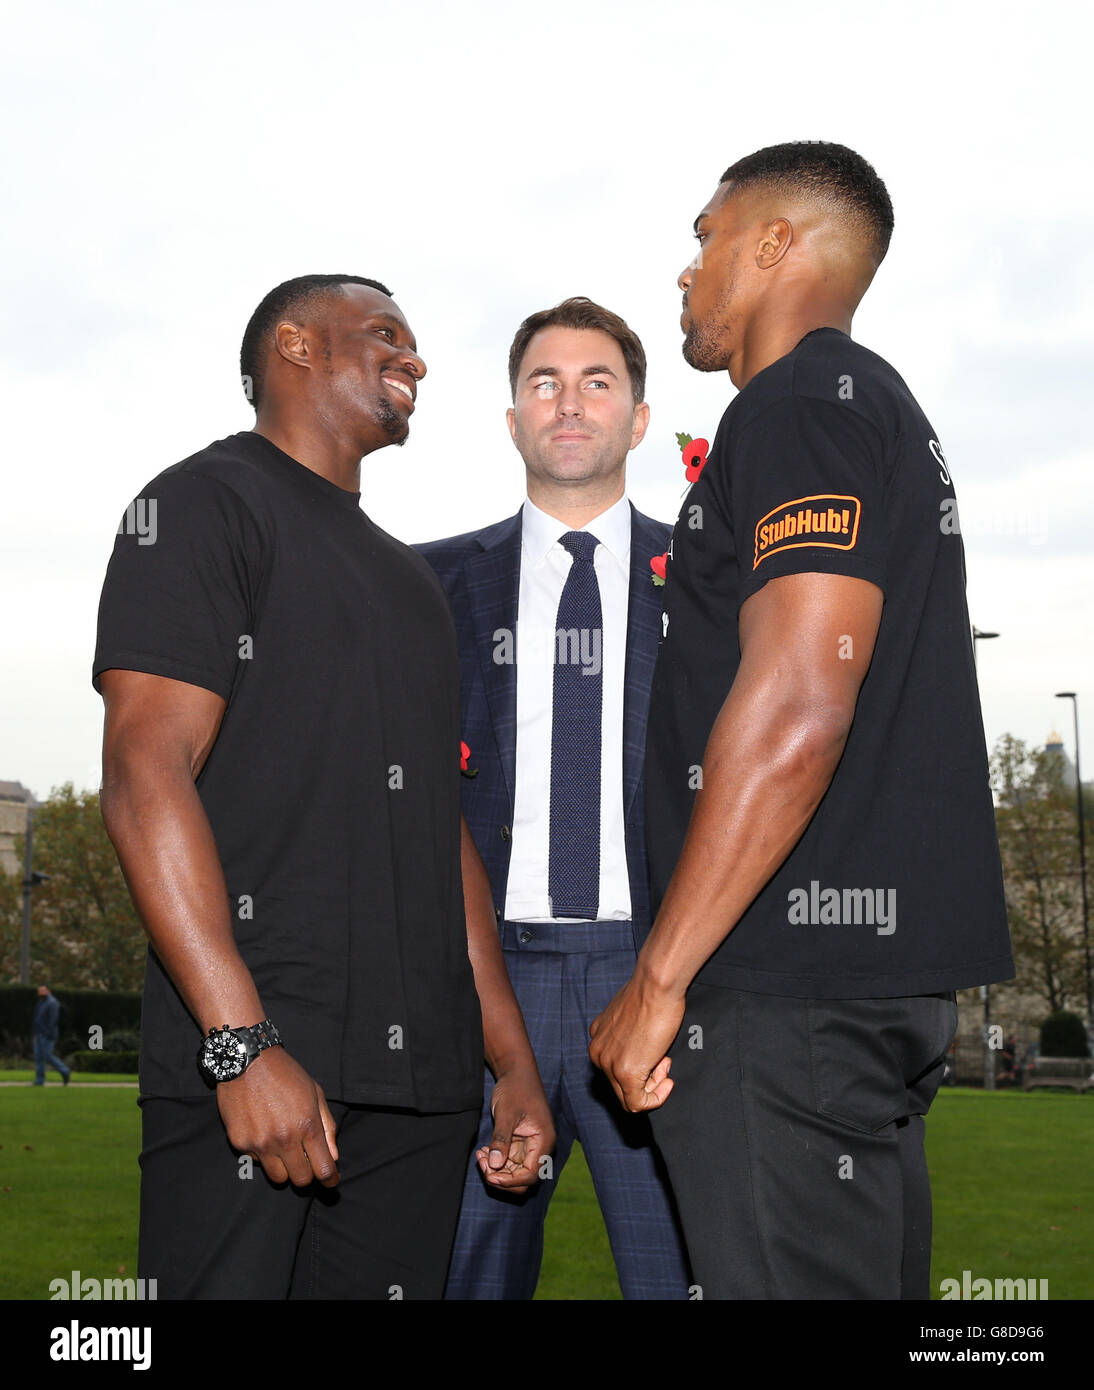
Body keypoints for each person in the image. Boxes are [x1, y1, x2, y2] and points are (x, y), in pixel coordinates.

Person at [590, 143, 1015, 1300]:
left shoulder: (795, 404)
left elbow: (796, 702)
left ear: (773, 243)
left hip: (785, 1003)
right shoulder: (872, 407)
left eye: (703, 236)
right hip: (857, 997)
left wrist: (660, 975)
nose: (684, 271)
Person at [93, 274, 553, 1300]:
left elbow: (444, 842)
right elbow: (142, 773)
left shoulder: (411, 585)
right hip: (256, 1065)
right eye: (385, 335)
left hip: (421, 1094)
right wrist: (240, 1042)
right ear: (293, 347)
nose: (416, 359)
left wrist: (509, 1062)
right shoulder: (198, 506)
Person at [417, 297, 690, 1300]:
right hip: (488, 979)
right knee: (459, 1276)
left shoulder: (711, 579)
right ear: (511, 418)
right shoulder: (424, 586)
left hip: (655, 974)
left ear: (638, 417)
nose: (568, 402)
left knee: (685, 1274)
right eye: (543, 381)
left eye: (595, 381)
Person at [32, 985, 70, 1086]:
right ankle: (39, 1080)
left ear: (48, 991)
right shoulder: (41, 1002)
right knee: (39, 1057)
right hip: (38, 1034)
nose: (40, 993)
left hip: (47, 1035)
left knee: (47, 1056)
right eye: (39, 991)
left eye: (43, 991)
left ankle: (64, 1070)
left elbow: (53, 1020)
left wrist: (47, 1033)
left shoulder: (52, 1003)